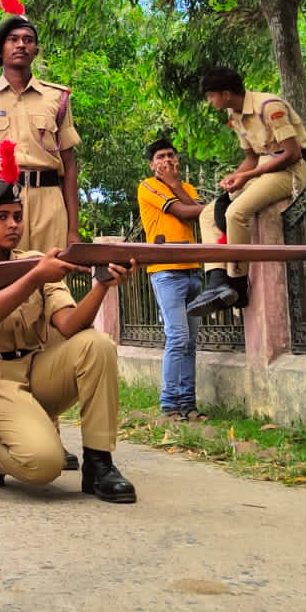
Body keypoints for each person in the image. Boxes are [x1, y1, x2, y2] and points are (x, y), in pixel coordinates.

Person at [0, 141, 137, 502]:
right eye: (2, 217)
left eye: (17, 216)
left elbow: (70, 325)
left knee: (97, 344)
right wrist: (34, 278)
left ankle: (99, 464)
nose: (13, 224)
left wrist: (102, 286)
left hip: (36, 370)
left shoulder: (34, 259)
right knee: (45, 465)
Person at [0, 0, 84, 468]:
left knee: (50, 304)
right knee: (3, 301)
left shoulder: (57, 97)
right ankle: (1, 418)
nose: (22, 45)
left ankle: (48, 425)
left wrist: (72, 226)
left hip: (47, 201)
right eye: (14, 39)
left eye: (29, 39)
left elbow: (70, 164)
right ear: (0, 49)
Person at [187, 66, 306, 318]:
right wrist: (236, 175)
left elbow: (292, 153)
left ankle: (237, 284)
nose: (210, 102)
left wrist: (248, 175)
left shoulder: (269, 107)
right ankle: (217, 281)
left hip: (289, 171)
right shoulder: (235, 115)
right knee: (208, 214)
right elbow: (251, 158)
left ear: (226, 94)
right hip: (262, 170)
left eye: (211, 96)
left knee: (235, 213)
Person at [136, 137, 207, 419]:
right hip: (165, 271)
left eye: (170, 155)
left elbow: (195, 217)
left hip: (192, 271)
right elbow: (182, 210)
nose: (167, 160)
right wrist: (210, 207)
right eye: (160, 157)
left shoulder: (186, 187)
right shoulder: (147, 186)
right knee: (177, 337)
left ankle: (188, 404)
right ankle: (169, 405)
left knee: (190, 342)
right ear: (152, 165)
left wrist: (177, 186)